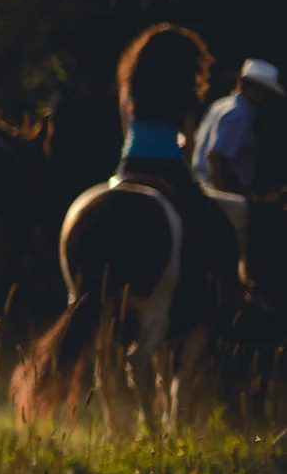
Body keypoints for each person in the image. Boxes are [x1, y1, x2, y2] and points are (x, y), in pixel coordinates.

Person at [113, 24, 240, 328]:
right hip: (168, 168)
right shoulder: (181, 91)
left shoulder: (129, 87)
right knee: (216, 231)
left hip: (127, 168)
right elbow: (190, 144)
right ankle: (224, 299)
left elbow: (125, 131)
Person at [193, 58, 283, 198]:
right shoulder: (238, 114)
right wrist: (228, 193)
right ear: (255, 88)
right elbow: (217, 156)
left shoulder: (221, 105)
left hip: (205, 185)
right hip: (220, 192)